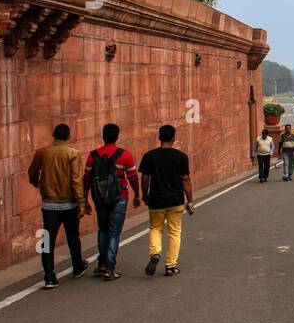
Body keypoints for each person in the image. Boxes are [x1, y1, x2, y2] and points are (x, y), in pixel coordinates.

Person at [28, 123, 87, 289]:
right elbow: (76, 180)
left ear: (54, 135)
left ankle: (49, 276)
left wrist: (36, 182)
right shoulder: (73, 153)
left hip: (49, 205)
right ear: (68, 136)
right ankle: (77, 267)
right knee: (73, 237)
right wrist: (81, 202)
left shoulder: (42, 153)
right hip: (69, 204)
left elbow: (32, 171)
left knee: (47, 240)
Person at [83, 123, 141, 281]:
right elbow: (133, 177)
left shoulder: (93, 155)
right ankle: (109, 269)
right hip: (119, 197)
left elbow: (87, 178)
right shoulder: (125, 155)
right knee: (114, 233)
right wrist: (137, 194)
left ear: (103, 136)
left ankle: (102, 265)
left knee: (102, 230)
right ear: (117, 136)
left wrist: (85, 199)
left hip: (99, 198)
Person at [138, 124, 194, 277]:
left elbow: (144, 178)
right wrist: (190, 201)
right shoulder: (181, 157)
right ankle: (171, 265)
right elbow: (186, 179)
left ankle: (155, 253)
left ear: (159, 138)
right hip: (175, 200)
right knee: (174, 232)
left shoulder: (149, 156)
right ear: (174, 139)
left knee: (156, 228)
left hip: (156, 199)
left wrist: (144, 195)